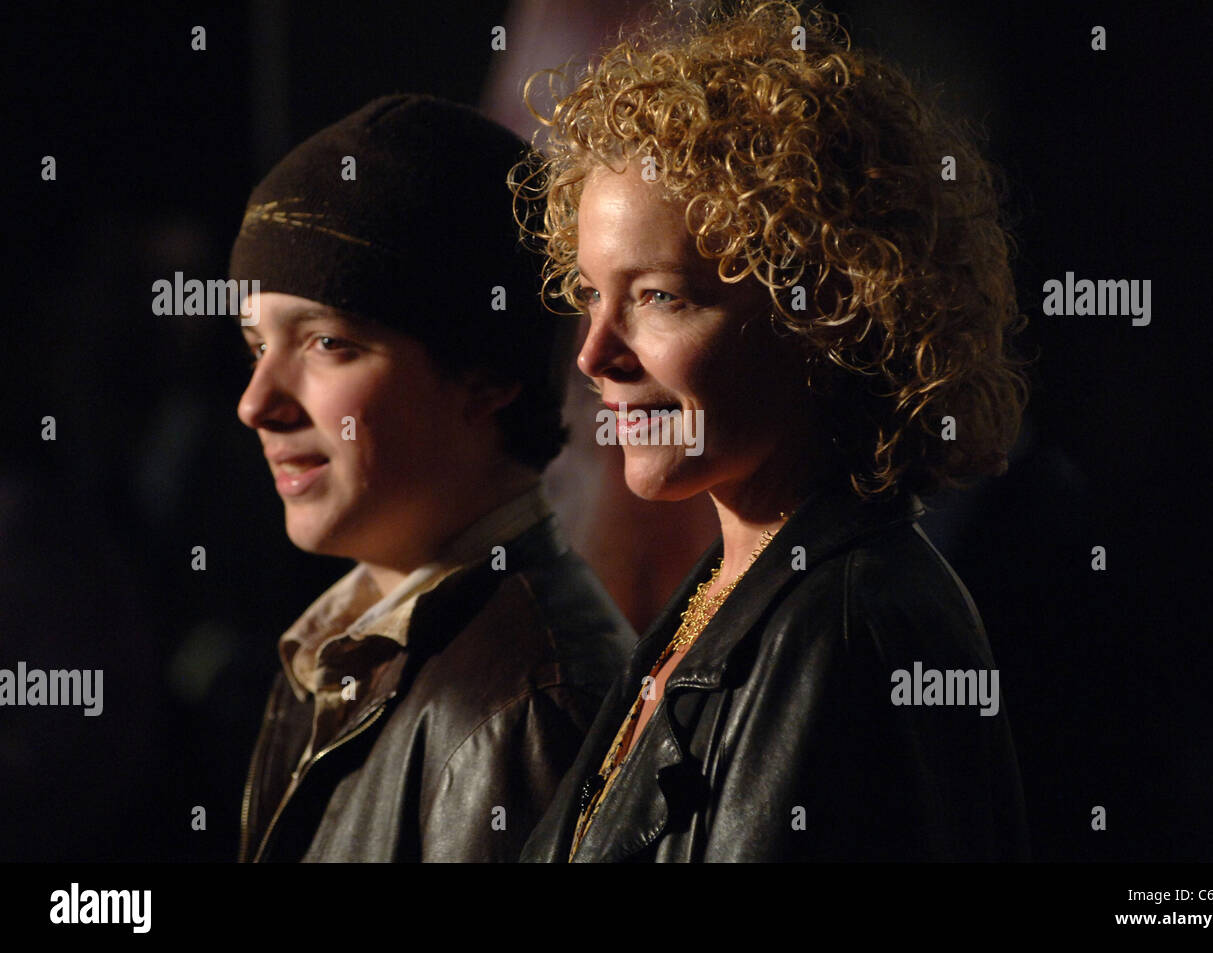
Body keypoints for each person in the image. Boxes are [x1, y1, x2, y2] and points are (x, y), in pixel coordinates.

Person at [515, 0, 1032, 861]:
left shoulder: (846, 624)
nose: (595, 354)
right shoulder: (745, 591)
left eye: (658, 297)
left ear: (829, 310)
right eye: (588, 296)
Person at [229, 94, 635, 862]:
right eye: (256, 346)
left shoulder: (530, 707)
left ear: (486, 374)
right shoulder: (343, 652)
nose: (257, 403)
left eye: (326, 343)